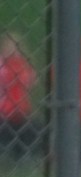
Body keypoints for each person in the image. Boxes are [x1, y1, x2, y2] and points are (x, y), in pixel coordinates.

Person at [0, 32, 38, 163]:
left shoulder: (23, 64)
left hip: (21, 108)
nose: (12, 50)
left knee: (28, 130)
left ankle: (22, 157)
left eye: (15, 47)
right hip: (4, 109)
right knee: (6, 132)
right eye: (9, 46)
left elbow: (32, 80)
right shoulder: (2, 63)